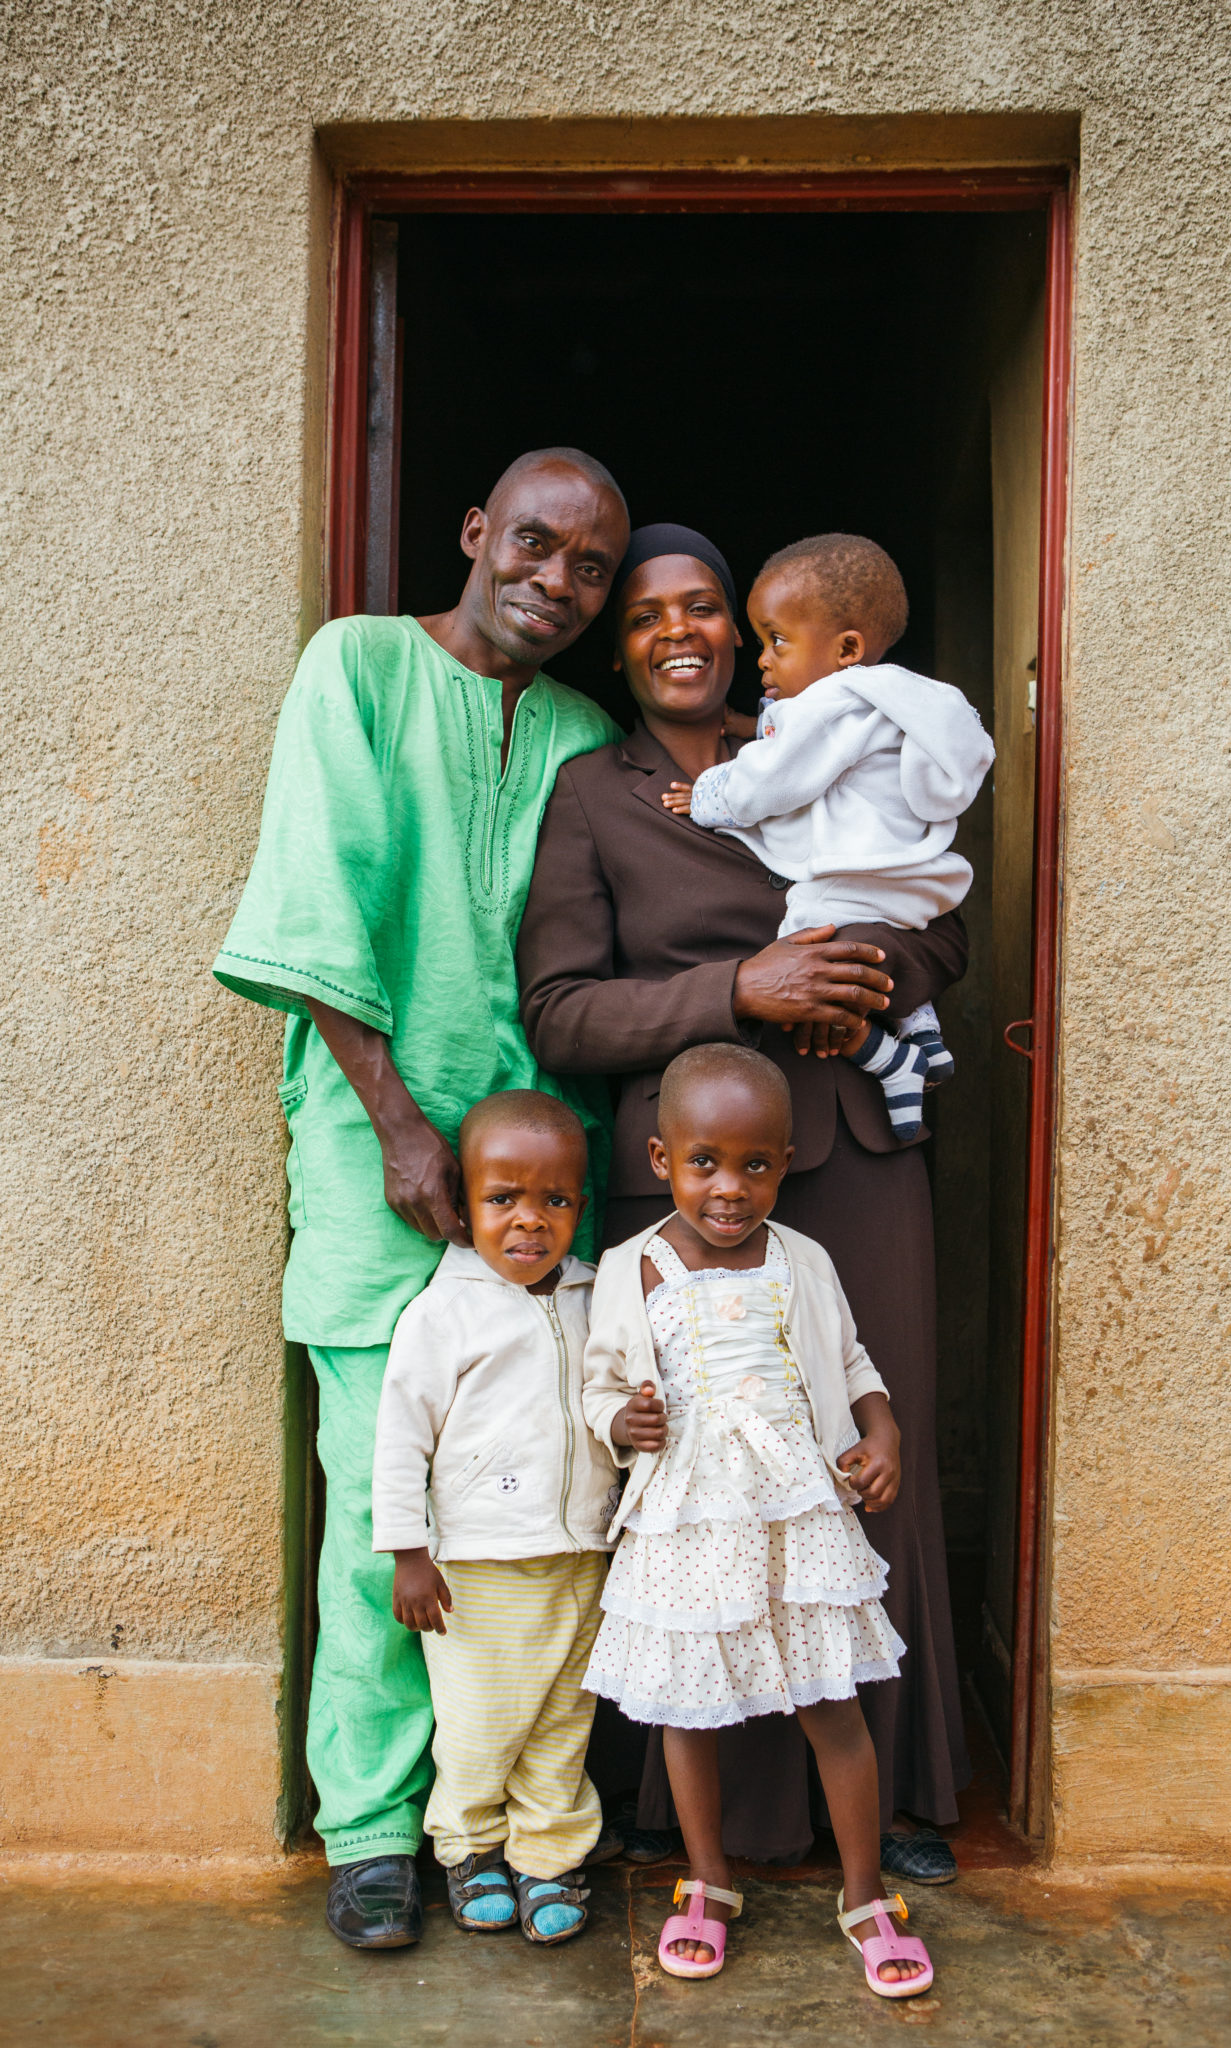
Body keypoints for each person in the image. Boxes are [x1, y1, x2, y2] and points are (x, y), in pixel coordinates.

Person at [213, 449, 630, 1948]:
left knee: (539, 1506)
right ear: (474, 533)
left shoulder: (585, 725)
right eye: (535, 542)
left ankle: (516, 1825)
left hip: (537, 1177)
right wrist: (397, 1124)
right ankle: (375, 1828)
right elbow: (318, 892)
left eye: (591, 566)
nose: (557, 580)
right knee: (387, 1510)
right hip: (378, 1150)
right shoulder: (361, 668)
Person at [516, 523, 971, 1882]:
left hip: (848, 1144)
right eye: (649, 612)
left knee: (864, 1453)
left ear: (743, 632)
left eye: (705, 609)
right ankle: (691, 1812)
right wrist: (739, 990)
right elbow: (559, 1011)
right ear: (622, 643)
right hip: (685, 1174)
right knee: (693, 1476)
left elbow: (934, 910)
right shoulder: (596, 794)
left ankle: (885, 1799)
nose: (679, 632)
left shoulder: (836, 727)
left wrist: (862, 965)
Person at [582, 1044, 933, 1999]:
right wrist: (620, 1420)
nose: (728, 1188)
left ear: (784, 1161)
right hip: (690, 1518)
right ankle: (707, 1882)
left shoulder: (801, 1259)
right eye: (703, 1162)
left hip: (794, 1510)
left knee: (831, 1704)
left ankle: (864, 1894)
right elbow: (596, 1384)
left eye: (754, 1165)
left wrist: (881, 1427)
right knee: (689, 1714)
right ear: (661, 1160)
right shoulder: (631, 1267)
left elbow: (851, 1361)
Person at [372, 1091, 618, 1947]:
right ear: (463, 1204)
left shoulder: (594, 1296)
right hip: (474, 1568)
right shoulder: (444, 1313)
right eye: (502, 1198)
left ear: (578, 1208)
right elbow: (401, 1437)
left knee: (561, 1719)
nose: (529, 1221)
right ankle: (470, 1849)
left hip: (581, 1555)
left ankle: (548, 1859)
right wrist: (408, 1551)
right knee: (480, 1722)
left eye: (553, 1201)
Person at [664, 533, 994, 1142]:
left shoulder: (835, 702)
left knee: (804, 955)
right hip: (908, 881)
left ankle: (889, 1059)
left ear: (846, 649)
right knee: (877, 947)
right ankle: (921, 1027)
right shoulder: (896, 701)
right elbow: (791, 730)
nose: (763, 658)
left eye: (777, 641)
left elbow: (776, 776)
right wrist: (746, 722)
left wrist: (709, 795)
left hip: (849, 877)